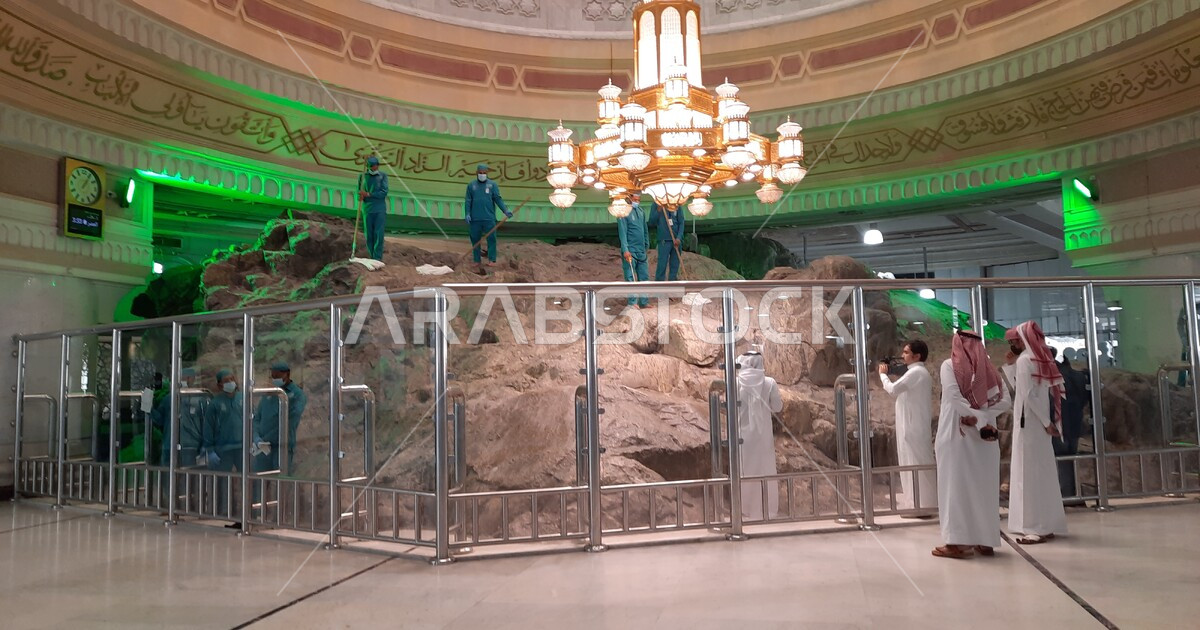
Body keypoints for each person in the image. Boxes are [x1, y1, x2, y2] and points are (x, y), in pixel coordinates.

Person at [933, 331, 1011, 559]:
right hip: (985, 438)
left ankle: (957, 543)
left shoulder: (949, 366)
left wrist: (974, 418)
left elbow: (954, 397)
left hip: (957, 436)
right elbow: (1005, 401)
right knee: (983, 489)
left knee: (955, 489)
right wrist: (984, 418)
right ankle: (984, 541)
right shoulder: (990, 371)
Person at [1003, 322, 1068, 544]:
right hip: (1037, 425)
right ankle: (1045, 523)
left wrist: (1046, 421)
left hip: (1030, 424)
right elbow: (1029, 391)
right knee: (1041, 472)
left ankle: (1034, 527)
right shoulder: (1036, 358)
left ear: (1021, 340)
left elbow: (1027, 396)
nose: (1011, 345)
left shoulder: (1025, 360)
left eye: (1013, 341)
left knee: (1028, 474)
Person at [878, 340, 937, 514]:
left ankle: (921, 506)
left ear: (917, 356)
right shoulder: (916, 372)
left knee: (915, 464)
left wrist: (883, 375)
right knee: (912, 463)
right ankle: (917, 504)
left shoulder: (917, 372)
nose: (902, 355)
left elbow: (893, 389)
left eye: (905, 352)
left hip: (912, 428)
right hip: (912, 426)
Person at [737, 351, 782, 521]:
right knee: (765, 470)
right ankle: (767, 509)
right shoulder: (769, 383)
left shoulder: (736, 382)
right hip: (763, 437)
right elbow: (777, 407)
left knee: (745, 470)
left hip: (742, 435)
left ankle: (745, 509)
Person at [251, 361, 308, 476]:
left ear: (286, 374)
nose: (274, 379)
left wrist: (267, 439)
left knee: (281, 483)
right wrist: (257, 439)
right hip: (263, 448)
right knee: (259, 483)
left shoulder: (297, 395)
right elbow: (257, 418)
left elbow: (289, 423)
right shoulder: (269, 393)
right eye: (272, 376)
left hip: (282, 446)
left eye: (277, 376)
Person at [203, 368, 244, 526]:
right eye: (226, 381)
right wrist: (210, 450)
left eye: (231, 379)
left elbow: (252, 420)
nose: (230, 383)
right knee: (223, 482)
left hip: (241, 447)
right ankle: (223, 512)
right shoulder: (215, 403)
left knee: (246, 480)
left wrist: (254, 440)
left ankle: (246, 512)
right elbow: (208, 428)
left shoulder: (243, 399)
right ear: (219, 385)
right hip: (223, 449)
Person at [152, 367, 209, 468]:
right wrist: (147, 407)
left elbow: (205, 424)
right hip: (169, 445)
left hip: (189, 446)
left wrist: (204, 446)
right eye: (182, 377)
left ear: (192, 380)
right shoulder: (169, 399)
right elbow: (159, 420)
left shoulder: (199, 399)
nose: (185, 380)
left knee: (186, 478)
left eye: (187, 378)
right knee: (167, 477)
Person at [1052, 353, 1089, 502]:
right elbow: (1084, 399)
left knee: (1061, 459)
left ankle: (1066, 495)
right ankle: (1072, 494)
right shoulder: (1079, 376)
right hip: (1074, 423)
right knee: (1069, 457)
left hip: (1058, 422)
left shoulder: (1054, 377)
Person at [464, 163, 512, 266]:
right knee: (475, 240)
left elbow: (498, 199)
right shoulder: (471, 185)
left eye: (484, 173)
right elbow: (468, 201)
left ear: (487, 173)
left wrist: (505, 210)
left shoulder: (492, 185)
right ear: (477, 173)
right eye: (480, 173)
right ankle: (477, 261)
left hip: (489, 218)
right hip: (475, 219)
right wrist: (467, 213)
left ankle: (492, 260)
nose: (482, 174)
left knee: (491, 239)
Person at [617, 192, 651, 308]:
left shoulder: (641, 211)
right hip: (630, 251)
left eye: (638, 199)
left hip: (641, 250)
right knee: (630, 277)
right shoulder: (623, 211)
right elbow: (622, 232)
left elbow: (644, 229)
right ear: (629, 198)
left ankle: (644, 302)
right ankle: (632, 303)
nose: (637, 201)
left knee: (644, 277)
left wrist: (646, 244)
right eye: (635, 199)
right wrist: (625, 249)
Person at [358, 155, 389, 262]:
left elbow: (384, 192)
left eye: (376, 166)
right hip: (367, 209)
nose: (374, 168)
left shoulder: (383, 176)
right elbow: (359, 191)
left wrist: (368, 194)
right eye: (371, 166)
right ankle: (371, 256)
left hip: (379, 209)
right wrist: (361, 196)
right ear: (368, 166)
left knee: (378, 233)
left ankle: (377, 257)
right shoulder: (362, 176)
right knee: (369, 234)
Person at [651, 201, 684, 281]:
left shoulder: (676, 202)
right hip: (664, 240)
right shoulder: (656, 203)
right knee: (662, 265)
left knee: (675, 265)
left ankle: (673, 285)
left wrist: (679, 238)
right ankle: (659, 286)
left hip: (676, 241)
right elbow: (651, 222)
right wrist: (658, 211)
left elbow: (681, 222)